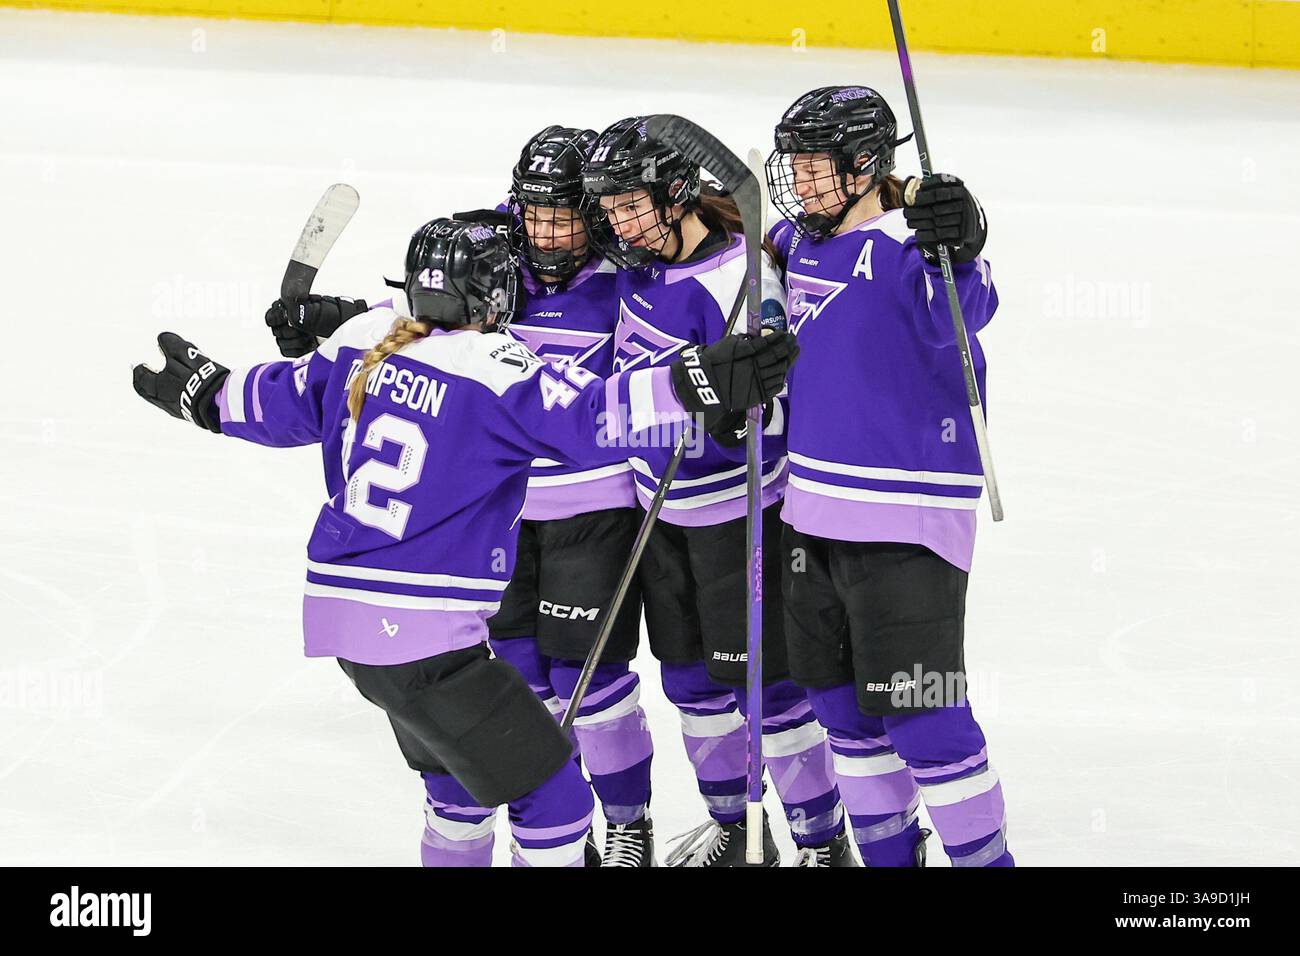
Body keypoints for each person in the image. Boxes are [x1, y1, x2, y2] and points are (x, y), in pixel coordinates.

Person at [131, 216, 797, 866]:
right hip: (424, 636)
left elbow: (277, 403)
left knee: (457, 799)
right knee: (559, 803)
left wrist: (207, 394)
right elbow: (595, 415)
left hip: (347, 625)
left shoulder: (365, 340)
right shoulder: (493, 366)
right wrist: (699, 379)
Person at [583, 117, 852, 867]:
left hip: (742, 520)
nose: (618, 225)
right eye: (609, 211)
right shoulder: (637, 266)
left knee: (770, 695)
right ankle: (737, 832)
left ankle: (822, 843)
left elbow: (780, 375)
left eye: (630, 206)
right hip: (657, 513)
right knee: (692, 686)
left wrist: (743, 408)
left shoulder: (738, 278)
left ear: (677, 197)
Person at [765, 85, 1014, 867]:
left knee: (925, 721)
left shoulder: (913, 257)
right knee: (844, 719)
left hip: (904, 527)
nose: (801, 183)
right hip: (809, 521)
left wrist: (959, 241)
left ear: (866, 164)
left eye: (817, 168)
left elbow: (960, 311)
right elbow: (732, 225)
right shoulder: (798, 244)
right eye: (795, 167)